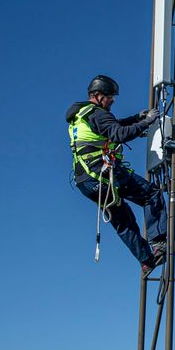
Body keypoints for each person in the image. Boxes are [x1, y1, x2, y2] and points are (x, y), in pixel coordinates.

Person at [66, 74, 168, 275]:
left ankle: (146, 260)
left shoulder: (81, 115)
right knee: (151, 194)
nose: (112, 100)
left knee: (123, 219)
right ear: (97, 95)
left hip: (86, 183)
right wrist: (147, 122)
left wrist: (136, 118)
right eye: (110, 96)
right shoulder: (98, 114)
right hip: (102, 175)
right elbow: (118, 133)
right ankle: (159, 242)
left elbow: (113, 125)